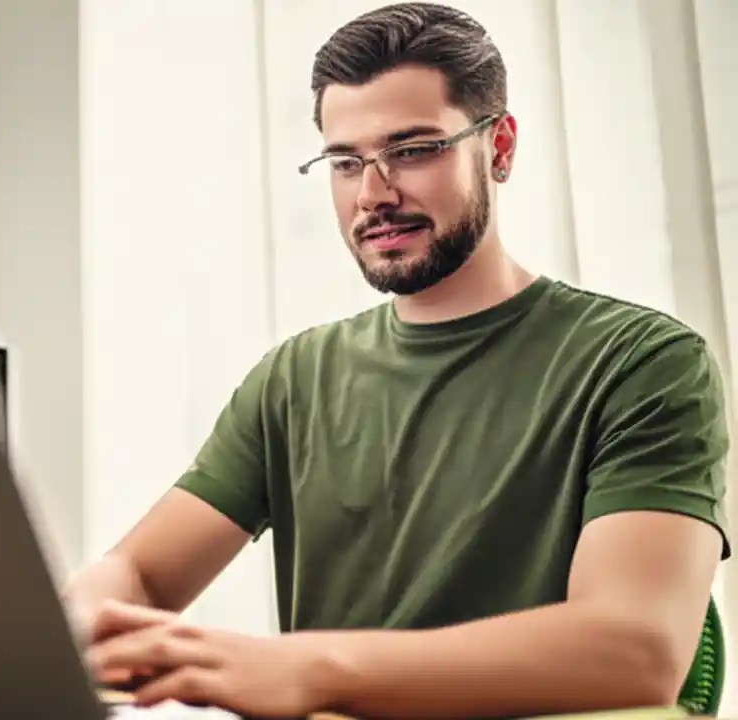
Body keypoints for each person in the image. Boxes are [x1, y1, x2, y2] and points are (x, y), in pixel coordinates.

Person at [64, 3, 731, 718]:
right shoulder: (293, 380)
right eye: (346, 162)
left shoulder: (639, 362)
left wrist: (306, 669)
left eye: (412, 150)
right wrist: (77, 622)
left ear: (499, 147)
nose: (374, 193)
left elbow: (635, 651)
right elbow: (138, 571)